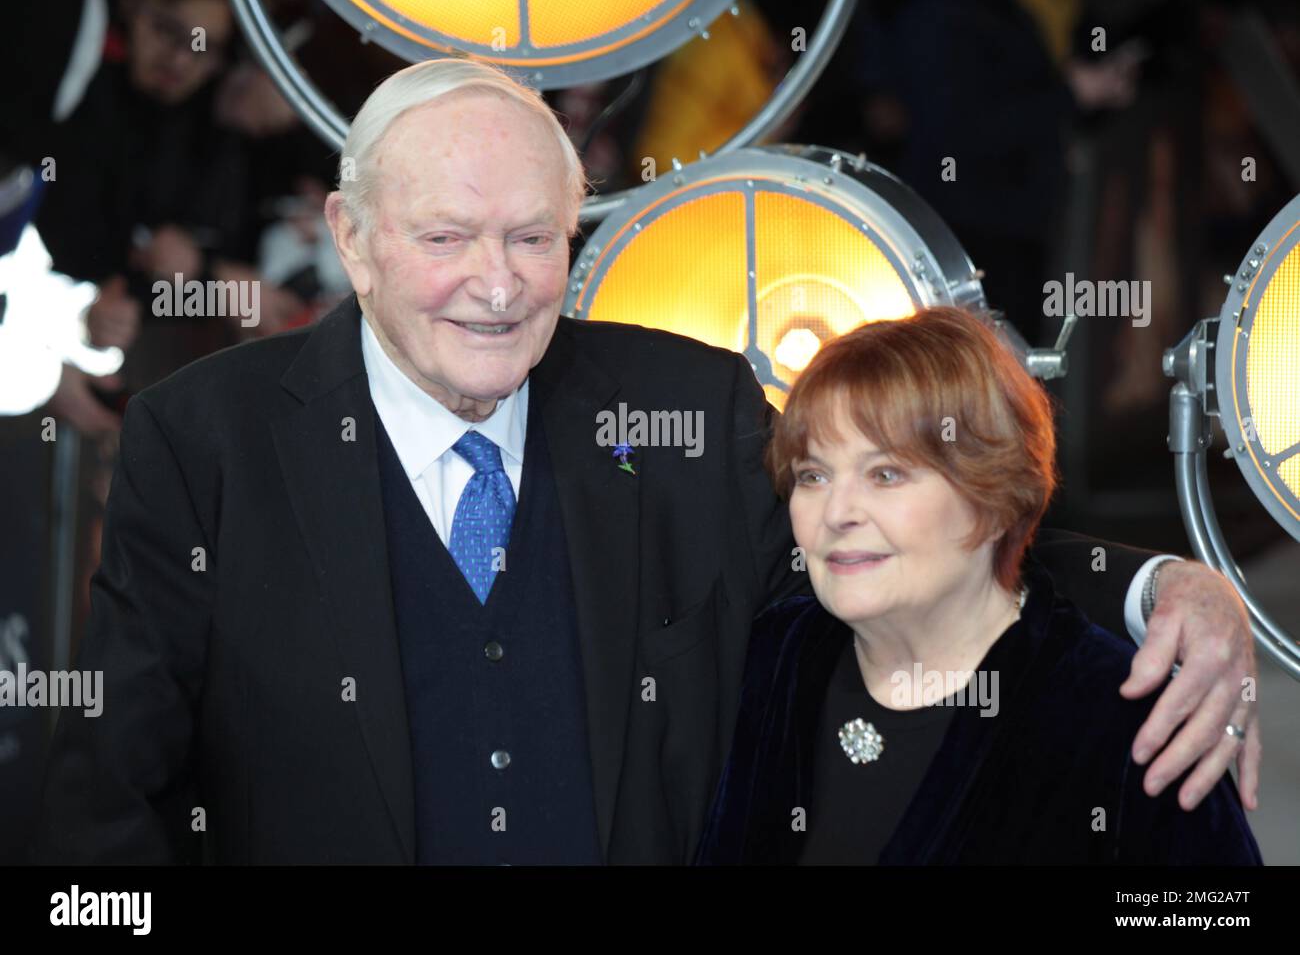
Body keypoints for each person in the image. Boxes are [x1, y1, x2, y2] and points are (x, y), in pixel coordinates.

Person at [34, 59, 1259, 865]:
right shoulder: (204, 439)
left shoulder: (683, 402)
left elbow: (904, 555)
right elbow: (104, 797)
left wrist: (1160, 590)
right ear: (351, 239)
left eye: (532, 236)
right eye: (447, 237)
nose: (499, 281)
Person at [695, 308, 1261, 864]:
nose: (837, 511)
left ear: (992, 499)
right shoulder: (766, 662)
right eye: (813, 476)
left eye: (885, 474)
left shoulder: (1122, 723)